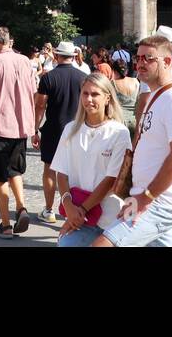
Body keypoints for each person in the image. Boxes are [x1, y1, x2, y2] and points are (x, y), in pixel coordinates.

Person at [92, 35, 172, 247]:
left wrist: (145, 198)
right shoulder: (156, 96)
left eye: (148, 58)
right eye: (137, 58)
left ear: (166, 62)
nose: (140, 63)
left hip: (159, 203)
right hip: (147, 199)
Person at [52, 73, 131, 246]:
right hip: (79, 217)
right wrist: (69, 206)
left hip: (109, 218)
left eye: (95, 94)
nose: (89, 99)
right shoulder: (70, 129)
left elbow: (111, 180)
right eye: (85, 93)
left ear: (107, 98)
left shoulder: (119, 133)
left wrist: (82, 209)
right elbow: (61, 172)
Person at [0, 27, 37, 238]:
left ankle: (5, 226)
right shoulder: (25, 61)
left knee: (0, 177)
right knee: (15, 171)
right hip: (22, 126)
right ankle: (21, 207)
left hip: (0, 125)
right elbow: (33, 89)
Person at [34, 40, 87, 223]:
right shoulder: (83, 77)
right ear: (73, 57)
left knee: (49, 170)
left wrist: (35, 129)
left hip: (53, 128)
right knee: (74, 173)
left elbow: (40, 105)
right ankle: (73, 210)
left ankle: (49, 210)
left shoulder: (48, 77)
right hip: (77, 129)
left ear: (56, 56)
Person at [109, 58, 139, 134]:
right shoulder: (136, 81)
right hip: (134, 122)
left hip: (118, 121)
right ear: (126, 70)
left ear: (114, 71)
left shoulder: (112, 83)